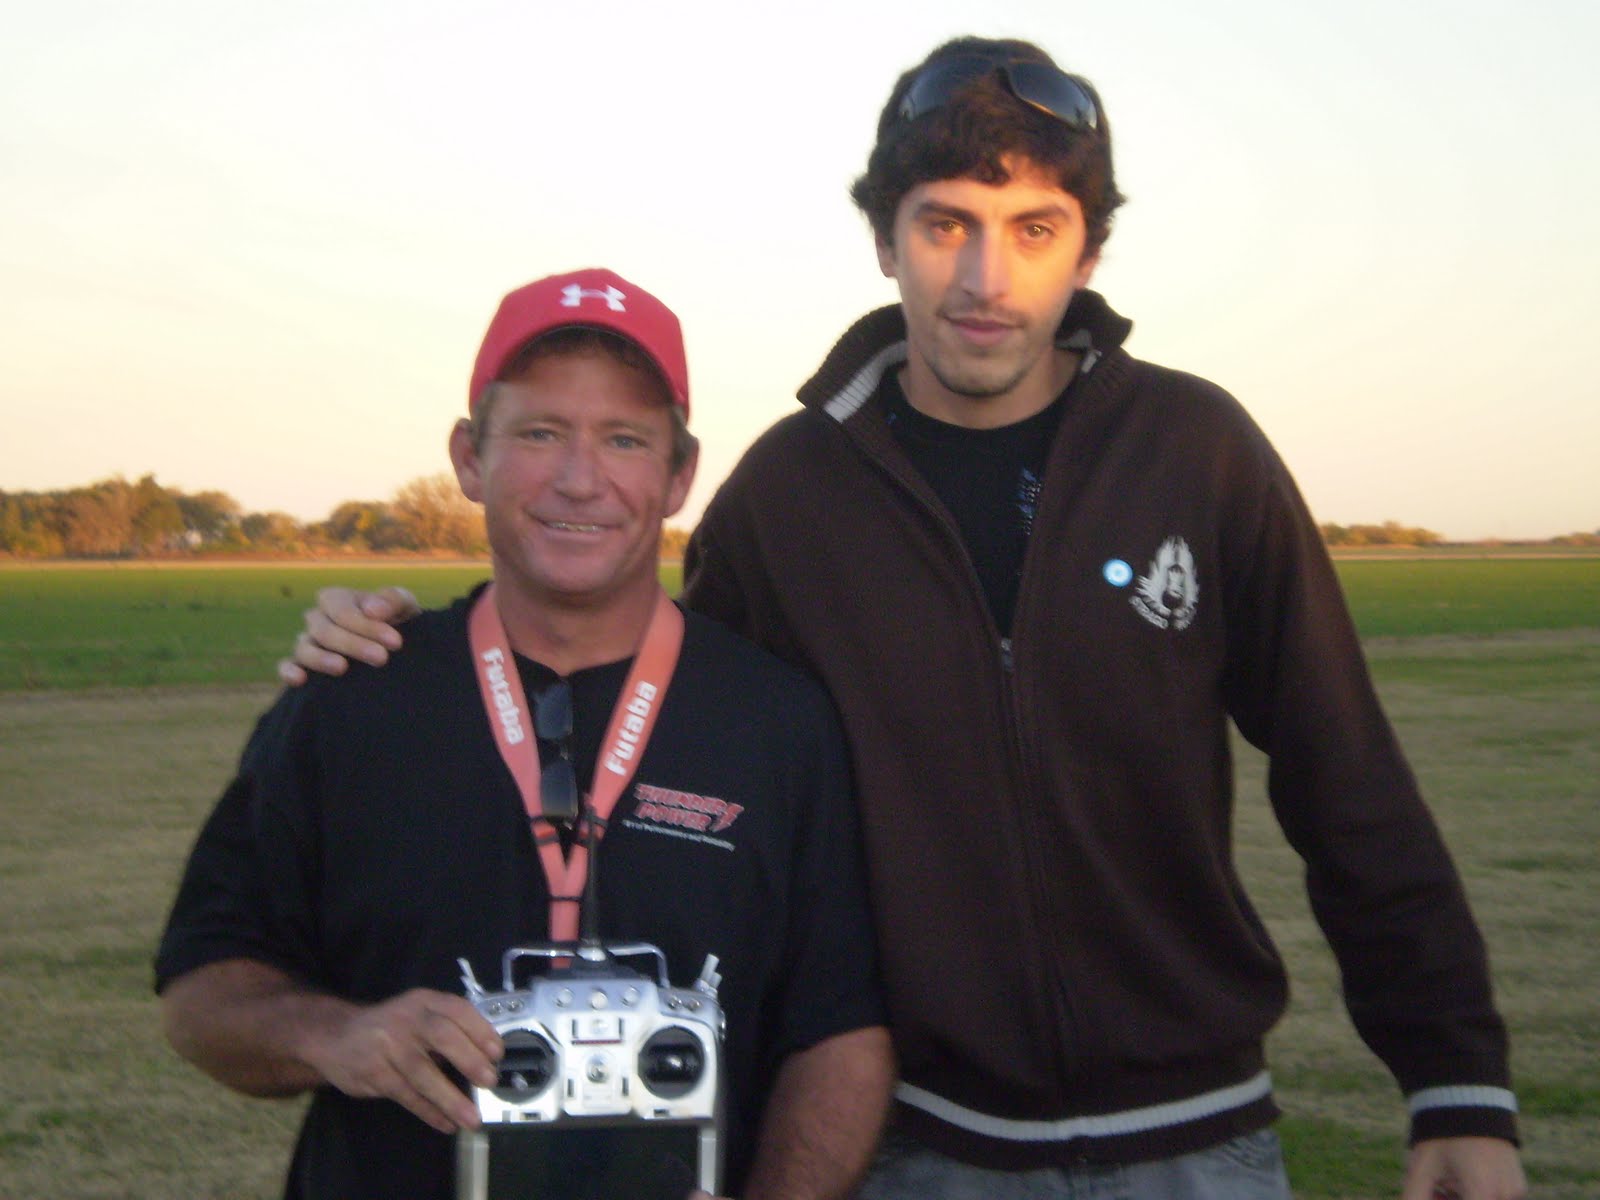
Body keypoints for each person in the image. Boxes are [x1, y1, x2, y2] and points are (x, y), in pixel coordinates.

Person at [281, 39, 1527, 1200]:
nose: (986, 280)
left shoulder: (1195, 453)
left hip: (1198, 1140)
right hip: (918, 1149)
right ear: (885, 239)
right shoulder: (786, 498)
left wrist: (1455, 1079)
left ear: (1086, 254)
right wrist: (403, 644)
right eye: (945, 227)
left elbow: (1344, 775)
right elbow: (652, 712)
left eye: (1033, 230)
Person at [157, 267, 893, 1200]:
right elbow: (201, 992)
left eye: (624, 439)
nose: (580, 480)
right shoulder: (353, 700)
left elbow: (838, 1029)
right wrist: (337, 1036)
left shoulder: (777, 720)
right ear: (469, 458)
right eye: (540, 433)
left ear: (678, 476)